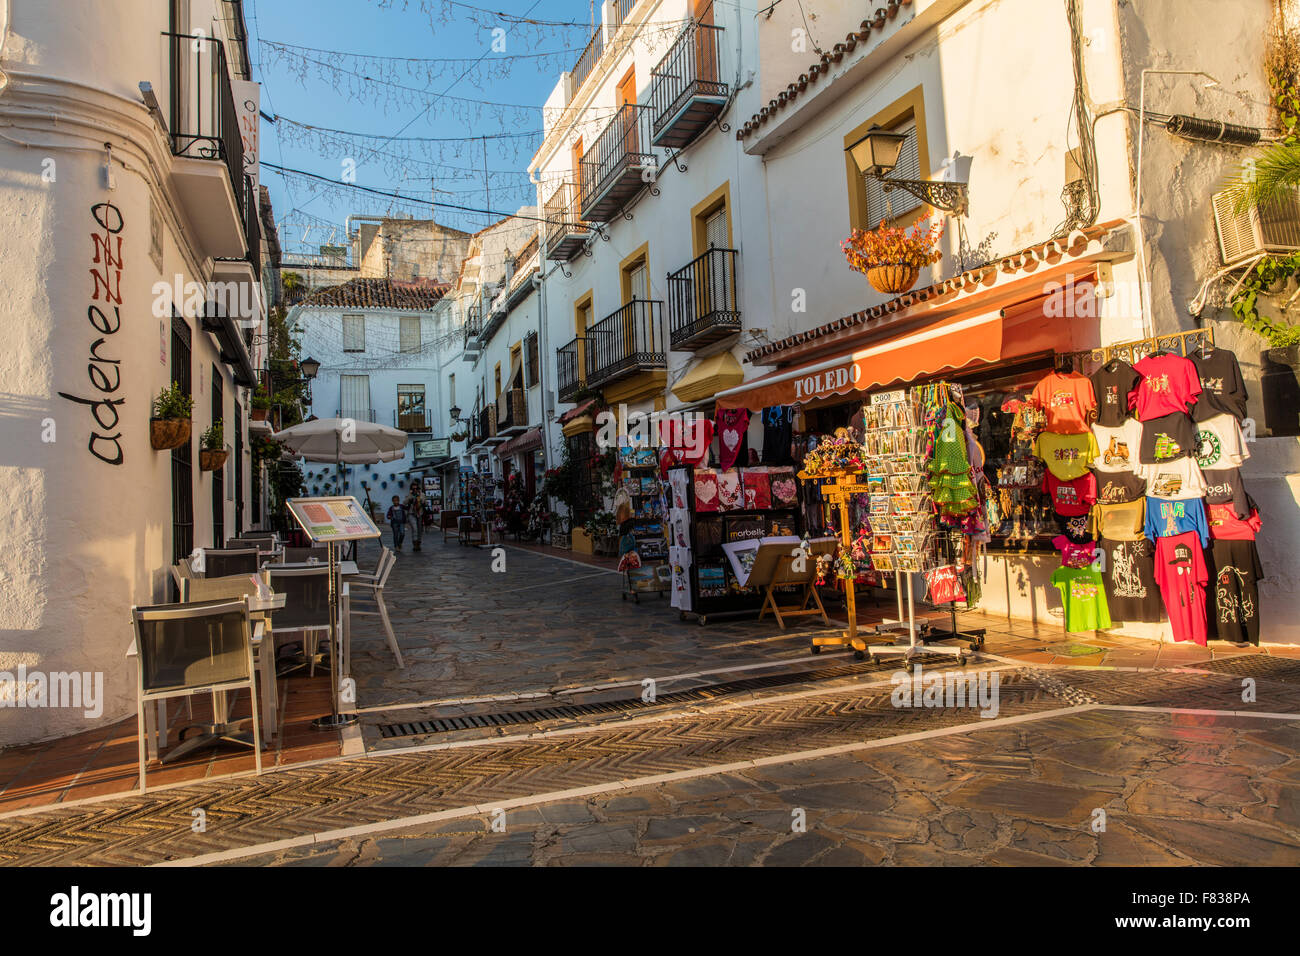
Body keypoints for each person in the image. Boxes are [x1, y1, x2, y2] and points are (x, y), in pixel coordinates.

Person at [405, 480, 425, 552]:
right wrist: (410, 496)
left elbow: (424, 502)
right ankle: (415, 544)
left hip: (419, 513)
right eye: (413, 489)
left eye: (416, 488)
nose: (415, 490)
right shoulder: (409, 495)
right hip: (411, 513)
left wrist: (419, 497)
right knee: (415, 528)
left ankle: (419, 543)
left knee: (419, 529)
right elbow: (405, 503)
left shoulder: (422, 494)